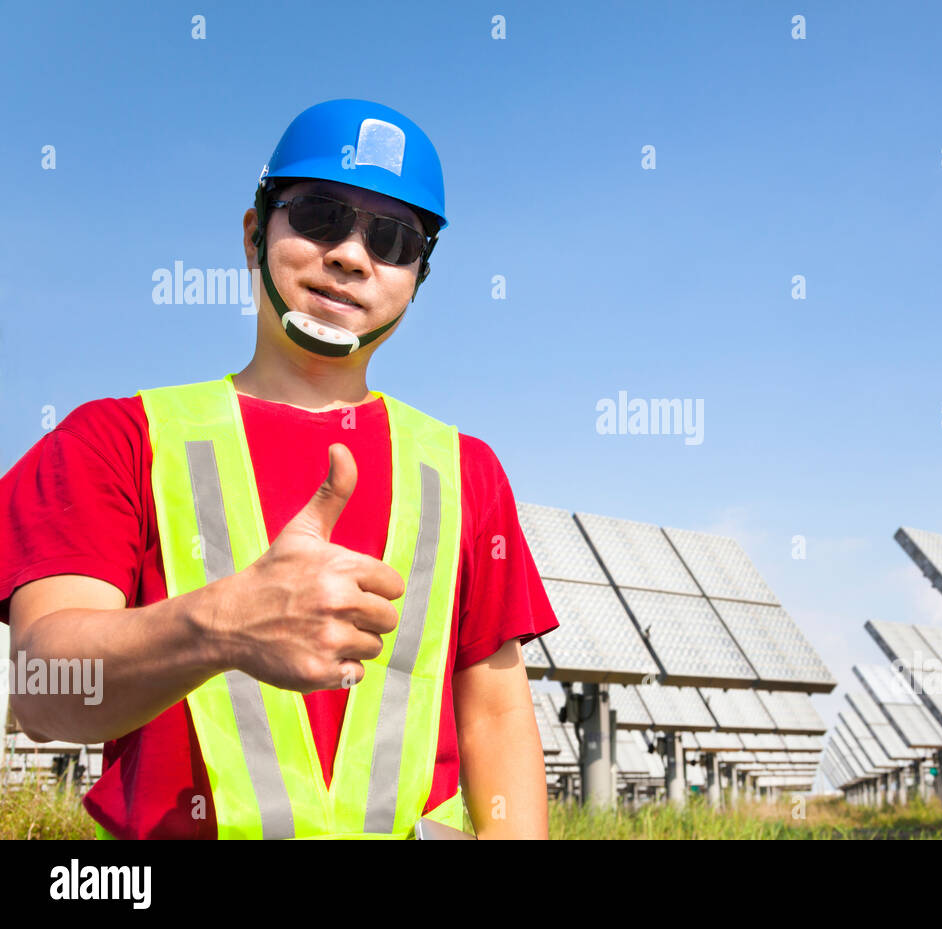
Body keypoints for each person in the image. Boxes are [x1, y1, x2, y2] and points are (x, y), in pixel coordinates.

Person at [0, 99, 558, 839]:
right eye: (321, 215)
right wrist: (221, 625)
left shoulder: (466, 471)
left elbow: (494, 713)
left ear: (417, 279)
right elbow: (45, 694)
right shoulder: (116, 439)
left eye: (394, 239)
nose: (353, 256)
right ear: (254, 232)